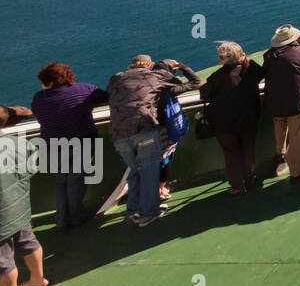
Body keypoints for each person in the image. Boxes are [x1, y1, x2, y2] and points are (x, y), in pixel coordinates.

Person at [106, 55, 202, 226]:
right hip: (144, 131)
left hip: (118, 134)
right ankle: (147, 214)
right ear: (149, 66)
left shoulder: (116, 78)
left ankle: (133, 210)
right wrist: (179, 66)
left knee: (134, 172)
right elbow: (195, 82)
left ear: (131, 66)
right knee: (150, 173)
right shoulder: (155, 75)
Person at [29, 63, 106, 227]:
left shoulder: (39, 98)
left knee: (61, 180)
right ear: (68, 76)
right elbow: (107, 96)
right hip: (80, 142)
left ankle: (62, 218)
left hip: (52, 144)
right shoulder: (84, 90)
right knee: (76, 180)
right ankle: (77, 216)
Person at [0, 103, 46, 286]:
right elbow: (32, 169)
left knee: (2, 261)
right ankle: (38, 279)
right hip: (20, 205)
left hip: (1, 218)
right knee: (28, 241)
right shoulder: (18, 143)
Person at [199, 42, 263, 194]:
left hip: (224, 123)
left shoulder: (217, 77)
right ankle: (249, 179)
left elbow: (204, 94)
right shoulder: (251, 68)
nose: (218, 59)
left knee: (231, 154)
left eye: (220, 57)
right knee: (248, 150)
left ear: (226, 59)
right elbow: (260, 74)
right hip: (249, 117)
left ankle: (237, 186)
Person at [263, 26, 300, 180]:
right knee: (297, 136)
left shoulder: (269, 56)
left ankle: (281, 159)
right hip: (295, 102)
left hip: (274, 101)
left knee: (280, 129)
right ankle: (297, 171)